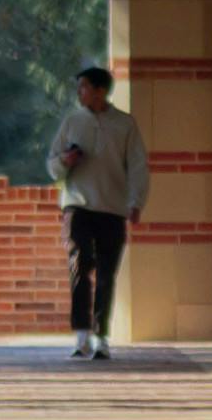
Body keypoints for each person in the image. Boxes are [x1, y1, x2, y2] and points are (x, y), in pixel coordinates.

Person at [50, 62, 150, 357]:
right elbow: (52, 164)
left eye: (84, 87)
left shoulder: (125, 124)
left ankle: (101, 336)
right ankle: (81, 334)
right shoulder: (71, 122)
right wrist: (65, 162)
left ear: (100, 91)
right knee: (80, 266)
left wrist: (136, 202)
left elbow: (138, 166)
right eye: (78, 88)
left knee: (107, 272)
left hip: (112, 208)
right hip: (77, 207)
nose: (79, 93)